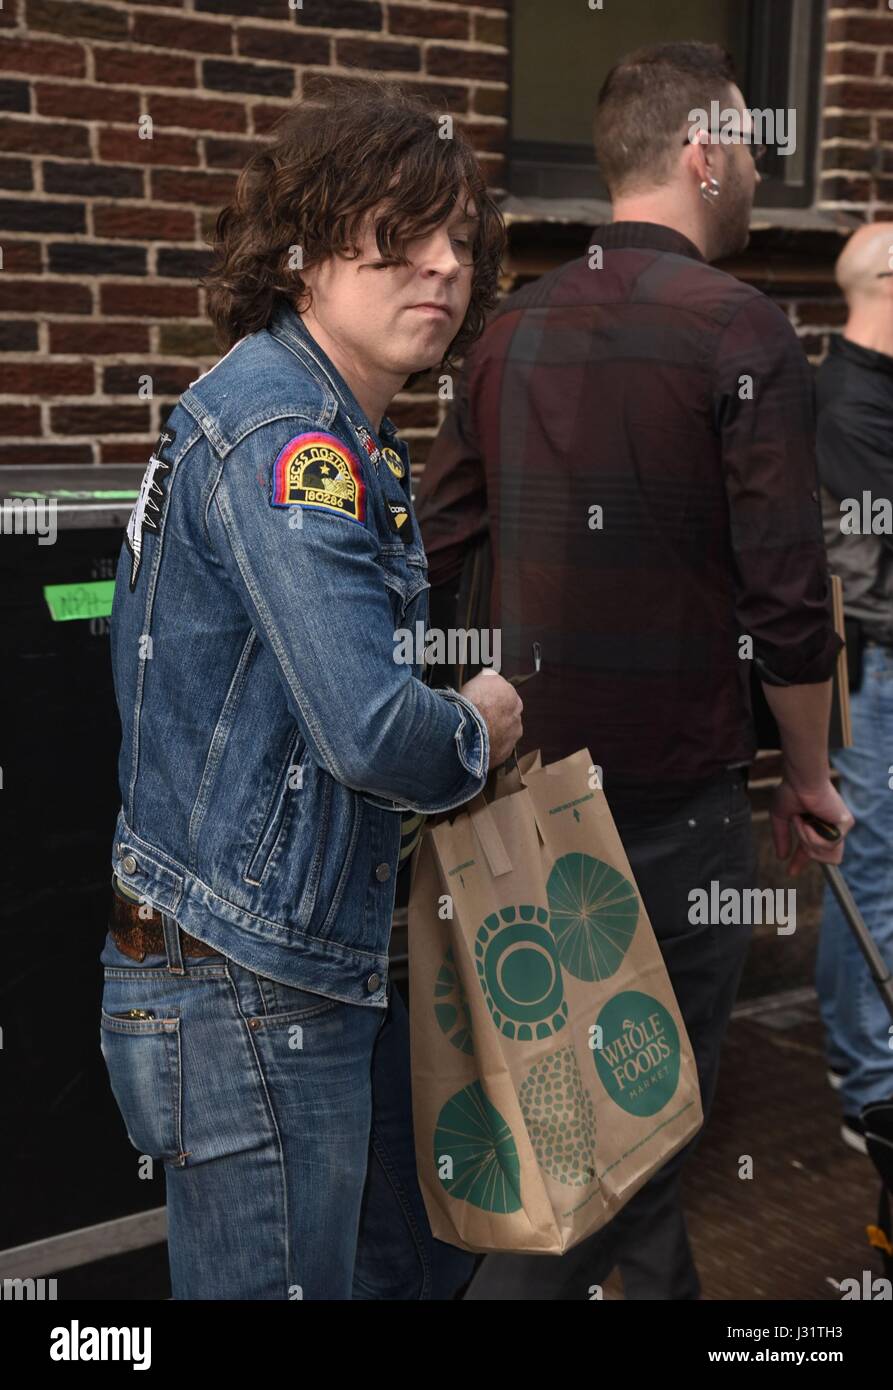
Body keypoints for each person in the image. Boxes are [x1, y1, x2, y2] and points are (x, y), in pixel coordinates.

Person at [415, 41, 852, 1300]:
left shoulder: (504, 334)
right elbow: (783, 597)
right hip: (668, 804)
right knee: (622, 1134)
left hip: (524, 793)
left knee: (593, 1125)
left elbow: (431, 552)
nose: (762, 170)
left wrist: (441, 734)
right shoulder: (743, 328)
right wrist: (808, 778)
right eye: (750, 147)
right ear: (702, 153)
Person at [98, 80, 523, 1301]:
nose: (442, 264)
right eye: (402, 231)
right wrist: (476, 729)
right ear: (304, 246)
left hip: (269, 964)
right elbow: (372, 728)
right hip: (247, 985)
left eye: (460, 239)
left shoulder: (305, 420)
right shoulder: (291, 435)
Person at [815, 222, 893, 1154]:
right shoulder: (845, 401)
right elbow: (860, 566)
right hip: (869, 665)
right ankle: (866, 1082)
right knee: (866, 867)